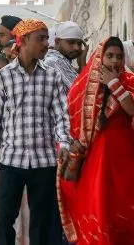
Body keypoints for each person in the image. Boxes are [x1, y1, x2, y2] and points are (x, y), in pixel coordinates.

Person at [0, 19, 68, 245]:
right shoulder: (2, 77)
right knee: (4, 220)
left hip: (44, 162)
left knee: (41, 223)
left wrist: (64, 143)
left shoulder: (52, 76)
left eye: (47, 39)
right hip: (11, 161)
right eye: (40, 39)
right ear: (23, 40)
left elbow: (62, 115)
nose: (46, 44)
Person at [58, 37, 134, 245]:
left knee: (123, 207)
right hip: (96, 157)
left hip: (125, 156)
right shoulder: (84, 85)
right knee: (99, 204)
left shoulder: (129, 81)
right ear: (100, 57)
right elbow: (71, 117)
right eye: (109, 56)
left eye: (119, 56)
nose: (114, 61)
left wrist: (113, 83)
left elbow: (131, 109)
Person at [43, 21, 85, 90]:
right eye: (71, 42)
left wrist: (81, 65)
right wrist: (83, 65)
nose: (77, 48)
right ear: (57, 41)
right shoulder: (54, 61)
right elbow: (81, 90)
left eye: (79, 44)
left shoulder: (63, 61)